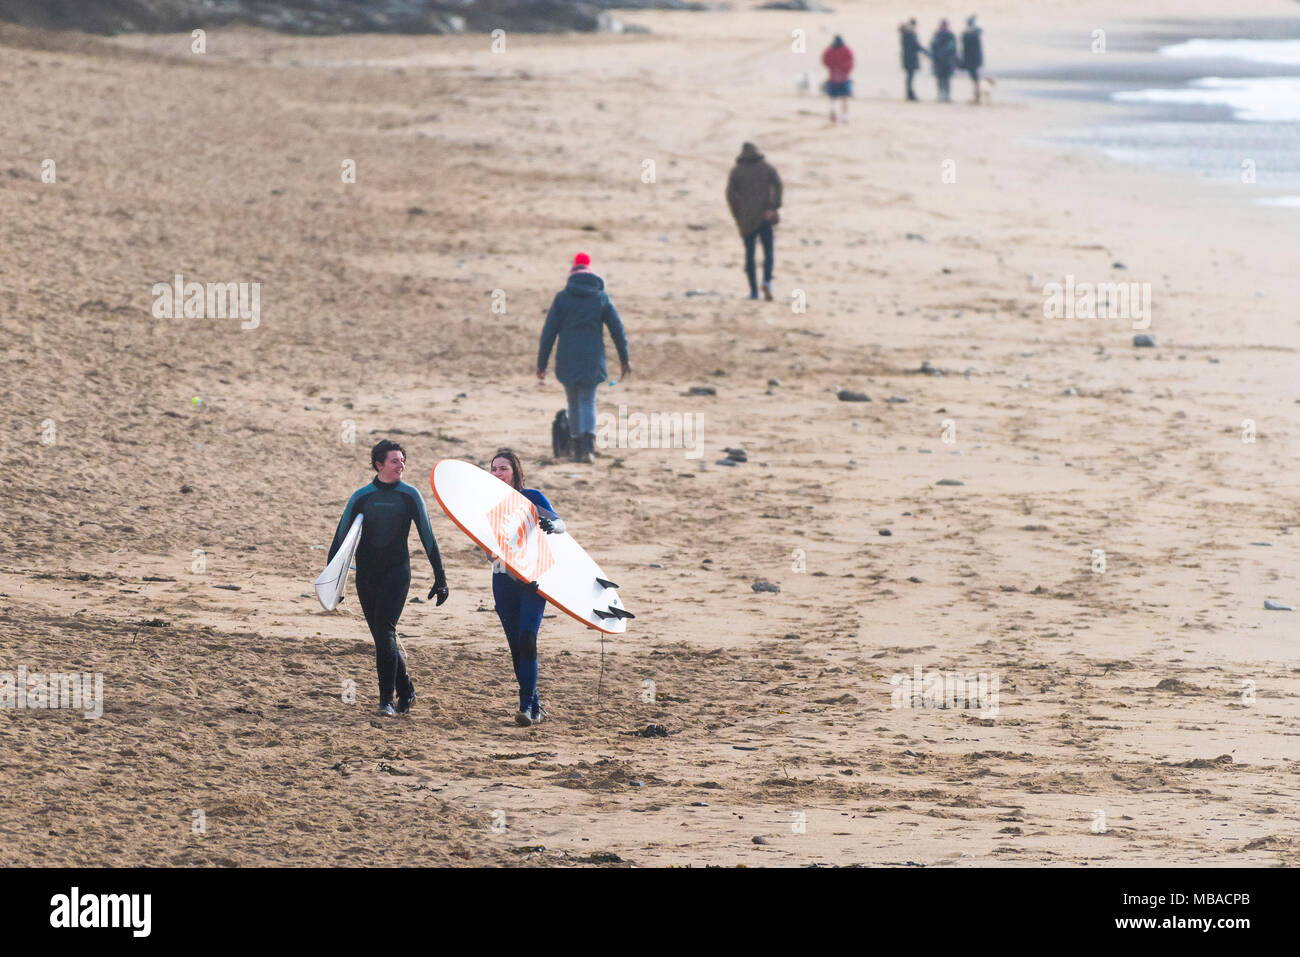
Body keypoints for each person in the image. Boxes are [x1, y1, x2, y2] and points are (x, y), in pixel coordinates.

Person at [329, 439, 449, 717]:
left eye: (403, 460)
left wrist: (440, 577)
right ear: (379, 465)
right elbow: (340, 539)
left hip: (397, 572)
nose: (401, 465)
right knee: (383, 637)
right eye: (395, 460)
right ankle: (405, 688)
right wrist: (333, 581)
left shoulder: (410, 496)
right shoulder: (362, 496)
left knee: (384, 631)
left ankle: (386, 700)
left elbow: (428, 537)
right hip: (367, 574)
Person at [487, 449, 565, 726]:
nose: (498, 473)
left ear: (515, 471)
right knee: (515, 647)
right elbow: (488, 552)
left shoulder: (532, 497)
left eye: (503, 468)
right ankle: (535, 705)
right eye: (494, 469)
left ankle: (525, 706)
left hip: (532, 580)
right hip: (503, 579)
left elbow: (560, 524)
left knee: (528, 640)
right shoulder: (488, 504)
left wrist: (550, 525)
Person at [537, 252, 631, 465]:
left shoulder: (562, 298)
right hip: (592, 359)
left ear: (573, 270)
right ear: (590, 270)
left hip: (567, 359)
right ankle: (587, 449)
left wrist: (541, 364)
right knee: (588, 400)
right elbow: (618, 330)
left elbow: (548, 333)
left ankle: (576, 445)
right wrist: (625, 359)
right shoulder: (600, 298)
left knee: (572, 401)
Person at [725, 142, 782, 302]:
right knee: (768, 253)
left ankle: (754, 292)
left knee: (749, 255)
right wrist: (773, 206)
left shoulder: (736, 171)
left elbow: (730, 196)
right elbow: (778, 185)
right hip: (765, 216)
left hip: (747, 219)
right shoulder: (766, 167)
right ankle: (767, 282)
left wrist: (737, 214)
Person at [821, 35, 854, 124]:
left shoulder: (830, 50)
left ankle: (835, 112)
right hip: (843, 77)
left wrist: (833, 68)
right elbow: (850, 62)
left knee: (834, 98)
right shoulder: (846, 50)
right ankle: (844, 116)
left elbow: (825, 60)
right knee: (844, 98)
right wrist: (844, 70)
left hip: (834, 77)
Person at [899, 18, 929, 101]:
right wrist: (926, 52)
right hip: (910, 59)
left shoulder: (905, 33)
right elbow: (916, 45)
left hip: (908, 58)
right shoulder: (909, 34)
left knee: (909, 77)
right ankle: (910, 94)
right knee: (910, 77)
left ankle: (909, 93)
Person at [931, 19, 959, 103]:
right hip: (944, 61)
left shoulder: (939, 35)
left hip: (943, 61)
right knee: (943, 79)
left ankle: (944, 96)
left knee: (943, 79)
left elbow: (933, 47)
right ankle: (943, 96)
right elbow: (952, 49)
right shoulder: (943, 35)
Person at [961, 15, 984, 104]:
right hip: (972, 60)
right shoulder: (972, 33)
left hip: (972, 60)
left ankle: (977, 97)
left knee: (975, 79)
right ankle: (977, 96)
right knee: (975, 79)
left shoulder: (971, 34)